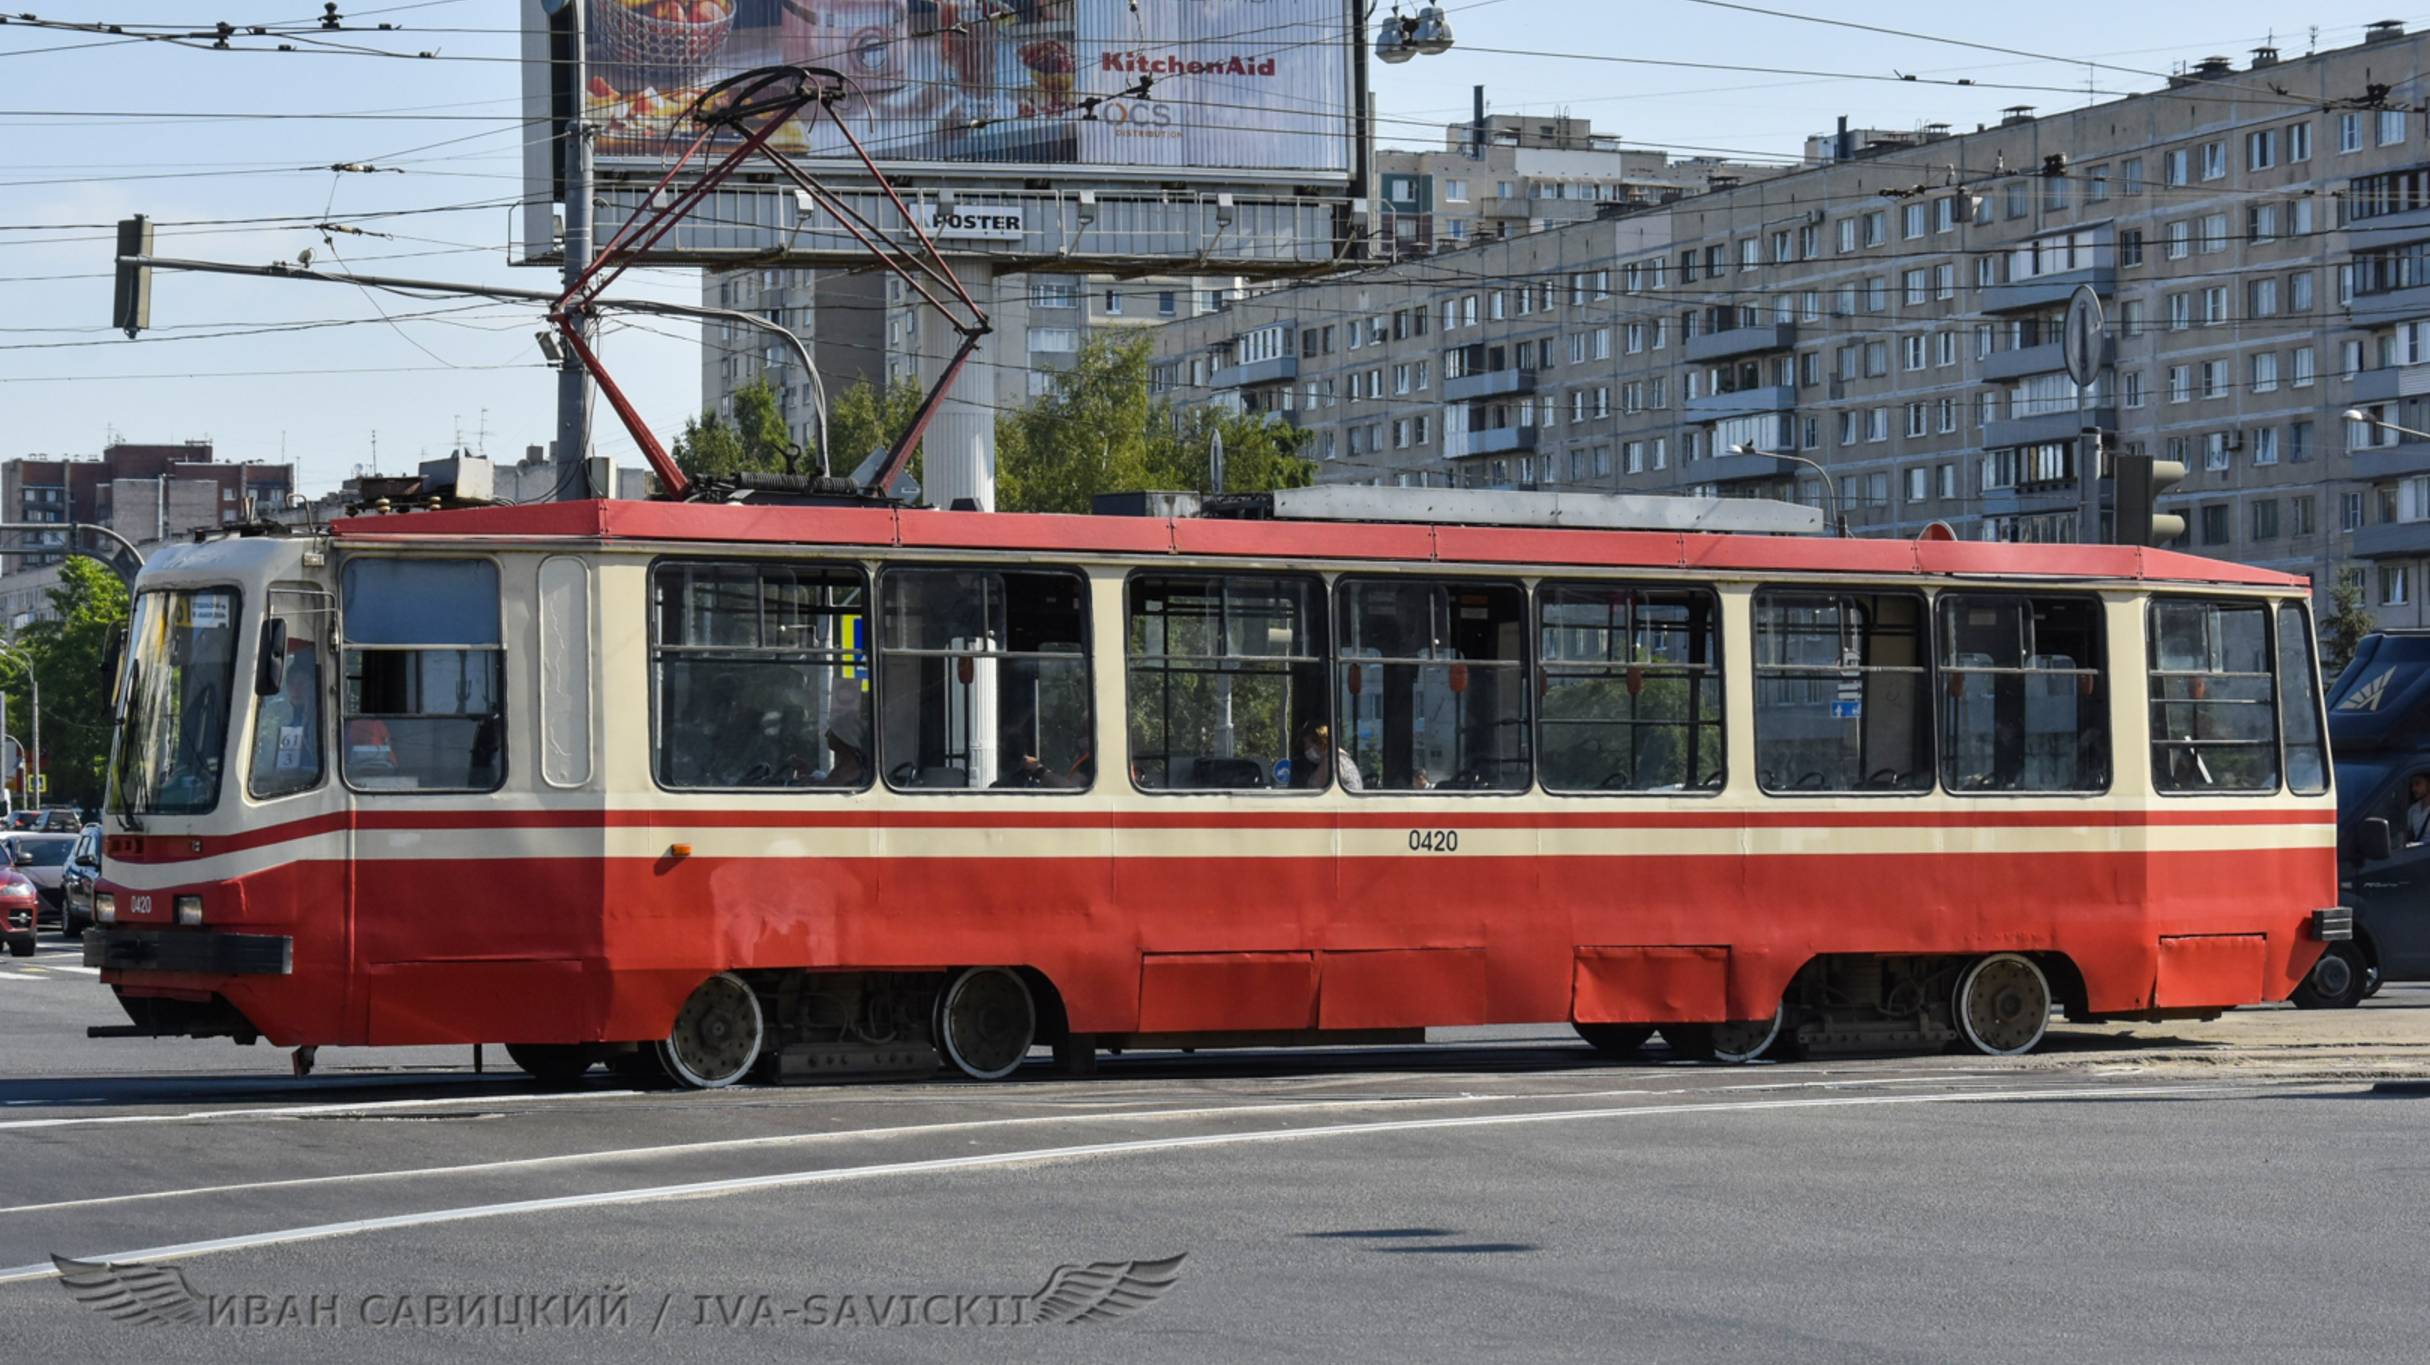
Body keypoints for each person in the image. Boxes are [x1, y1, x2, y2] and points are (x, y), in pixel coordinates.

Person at [1295, 723, 1361, 793]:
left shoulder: (1329, 761)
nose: (1306, 751)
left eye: (1307, 746)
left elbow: (1315, 790)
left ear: (1319, 742)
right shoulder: (1340, 757)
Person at [2405, 773, 2430, 846]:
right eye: (2412, 785)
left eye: (2417, 783)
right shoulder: (2413, 809)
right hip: (2417, 854)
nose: (2413, 789)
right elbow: (2406, 833)